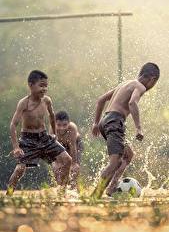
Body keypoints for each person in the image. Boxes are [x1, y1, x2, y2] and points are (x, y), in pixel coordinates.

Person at [91, 62, 160, 199]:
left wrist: (95, 123)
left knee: (128, 155)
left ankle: (111, 189)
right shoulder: (140, 87)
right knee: (114, 162)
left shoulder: (126, 83)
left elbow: (101, 100)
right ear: (152, 79)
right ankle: (94, 196)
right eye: (154, 83)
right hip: (115, 121)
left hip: (106, 120)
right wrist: (139, 128)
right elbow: (132, 103)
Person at [6, 70, 72, 196]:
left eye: (46, 86)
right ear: (31, 85)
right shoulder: (23, 103)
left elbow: (52, 116)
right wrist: (16, 147)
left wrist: (54, 134)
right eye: (41, 85)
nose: (44, 89)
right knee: (20, 169)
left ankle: (62, 192)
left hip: (44, 137)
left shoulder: (46, 100)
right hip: (28, 139)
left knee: (67, 160)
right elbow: (13, 125)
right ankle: (8, 195)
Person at [52, 111, 83, 190]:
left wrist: (74, 163)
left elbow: (73, 146)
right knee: (57, 167)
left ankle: (73, 187)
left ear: (69, 123)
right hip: (60, 145)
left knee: (74, 168)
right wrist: (57, 163)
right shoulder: (52, 129)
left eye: (65, 125)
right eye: (59, 125)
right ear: (55, 123)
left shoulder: (72, 128)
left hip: (75, 143)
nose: (62, 128)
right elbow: (53, 148)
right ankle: (61, 187)